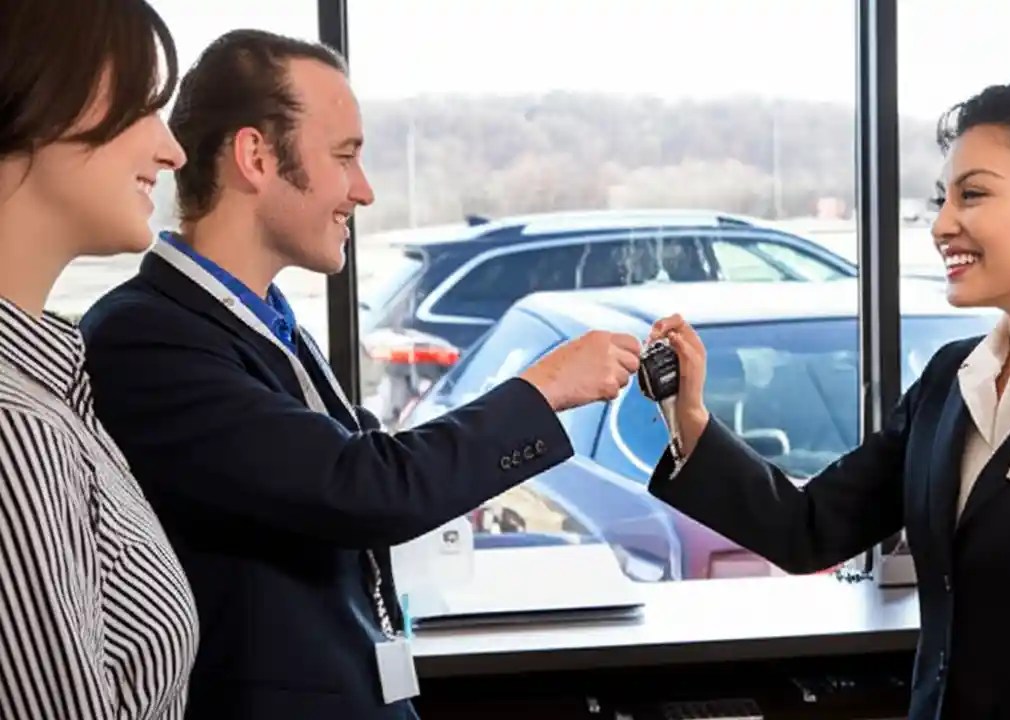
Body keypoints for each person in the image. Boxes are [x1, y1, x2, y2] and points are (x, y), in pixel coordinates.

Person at [78, 29, 639, 720]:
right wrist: (545, 388)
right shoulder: (146, 338)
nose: (363, 190)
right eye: (345, 157)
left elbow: (372, 470)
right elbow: (363, 486)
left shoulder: (266, 322)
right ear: (255, 156)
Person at [646, 75, 1010, 720]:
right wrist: (691, 422)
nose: (940, 224)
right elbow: (809, 530)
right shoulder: (950, 378)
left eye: (974, 195)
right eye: (943, 198)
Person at [0, 1, 197, 719]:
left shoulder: (46, 389)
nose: (172, 150)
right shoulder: (17, 430)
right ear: (40, 96)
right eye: (146, 105)